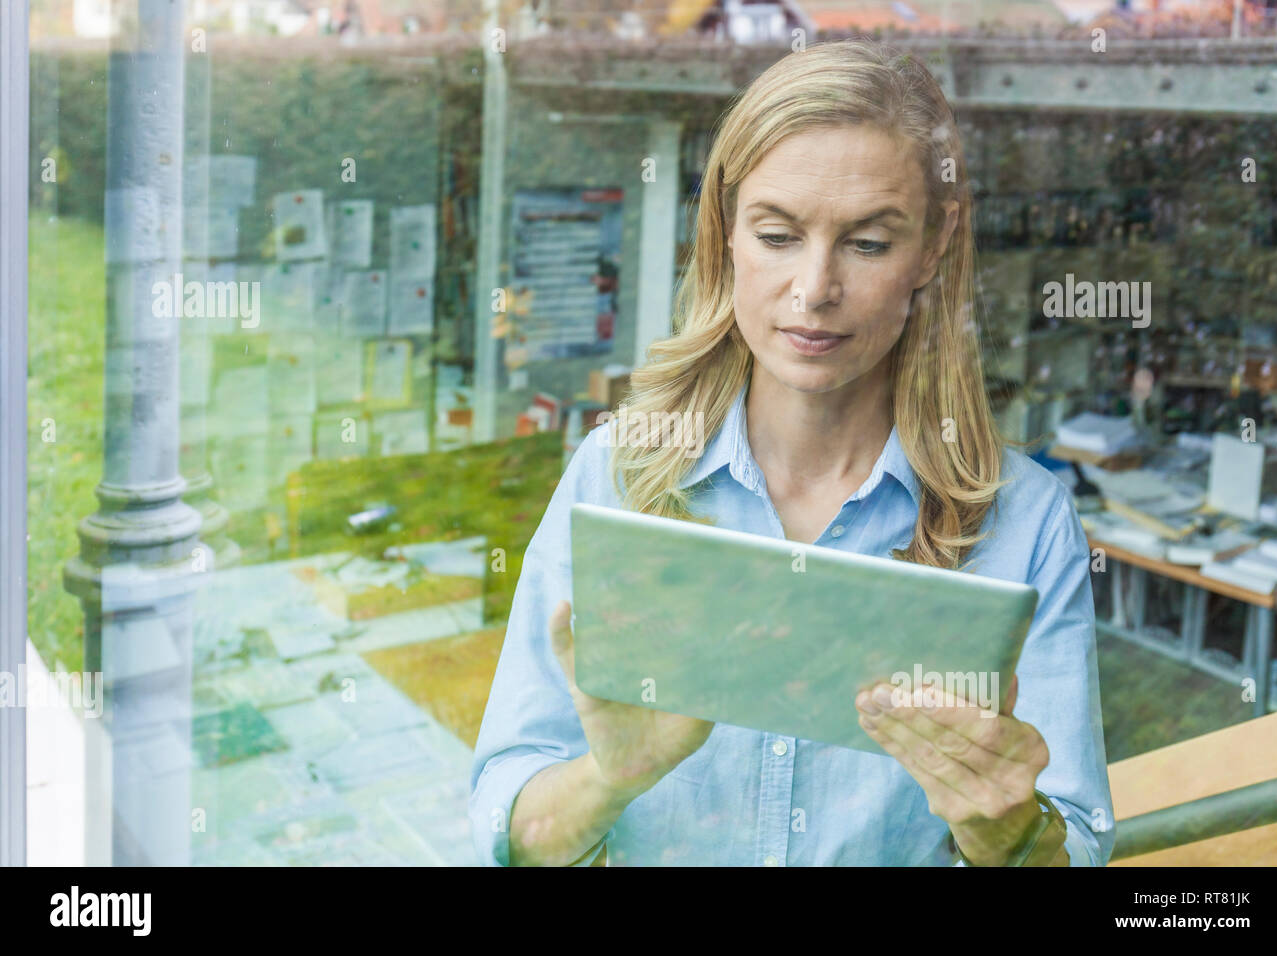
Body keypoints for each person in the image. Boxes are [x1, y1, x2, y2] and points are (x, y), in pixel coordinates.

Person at [469, 38, 1114, 866]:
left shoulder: (1024, 521)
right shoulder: (617, 472)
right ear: (725, 232)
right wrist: (609, 779)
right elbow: (506, 830)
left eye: (869, 244)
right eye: (777, 234)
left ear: (934, 245)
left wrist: (1008, 833)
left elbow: (1072, 848)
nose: (815, 289)